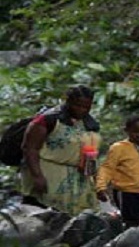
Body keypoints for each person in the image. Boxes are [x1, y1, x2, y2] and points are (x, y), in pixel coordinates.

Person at [20, 85, 102, 215]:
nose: (81, 110)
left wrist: (96, 181)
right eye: (77, 105)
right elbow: (30, 148)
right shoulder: (48, 119)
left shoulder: (90, 124)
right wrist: (37, 176)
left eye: (86, 107)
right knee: (45, 214)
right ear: (68, 101)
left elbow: (91, 153)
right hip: (49, 172)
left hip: (77, 177)